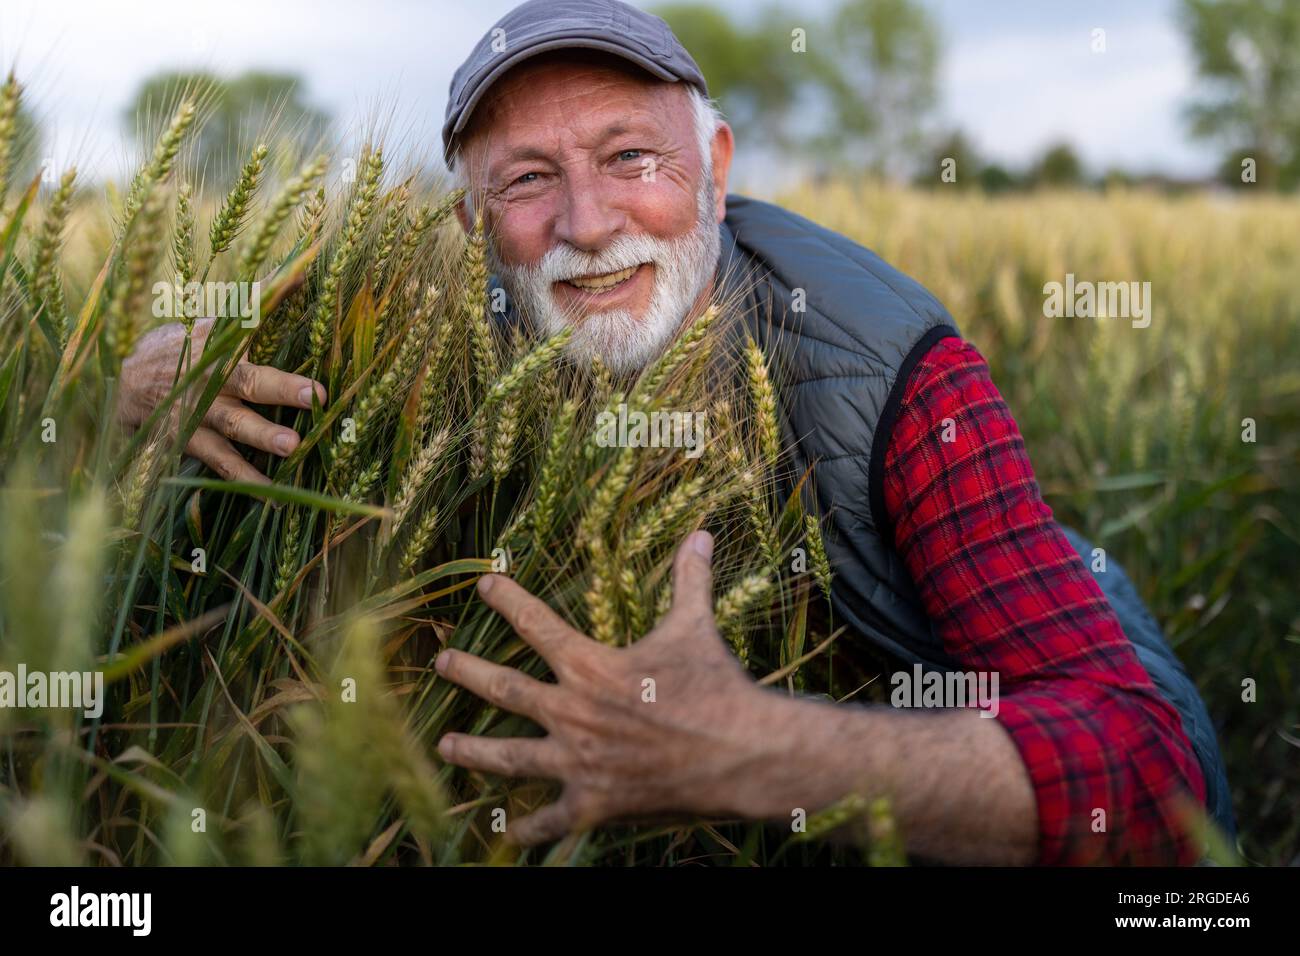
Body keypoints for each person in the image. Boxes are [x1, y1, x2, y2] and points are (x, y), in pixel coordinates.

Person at [118, 0, 1232, 864]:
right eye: (527, 179)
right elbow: (172, 396)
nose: (587, 222)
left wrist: (748, 750)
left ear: (718, 169)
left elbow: (1152, 789)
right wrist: (157, 382)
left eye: (629, 157)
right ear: (472, 227)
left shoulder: (893, 374)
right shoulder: (431, 335)